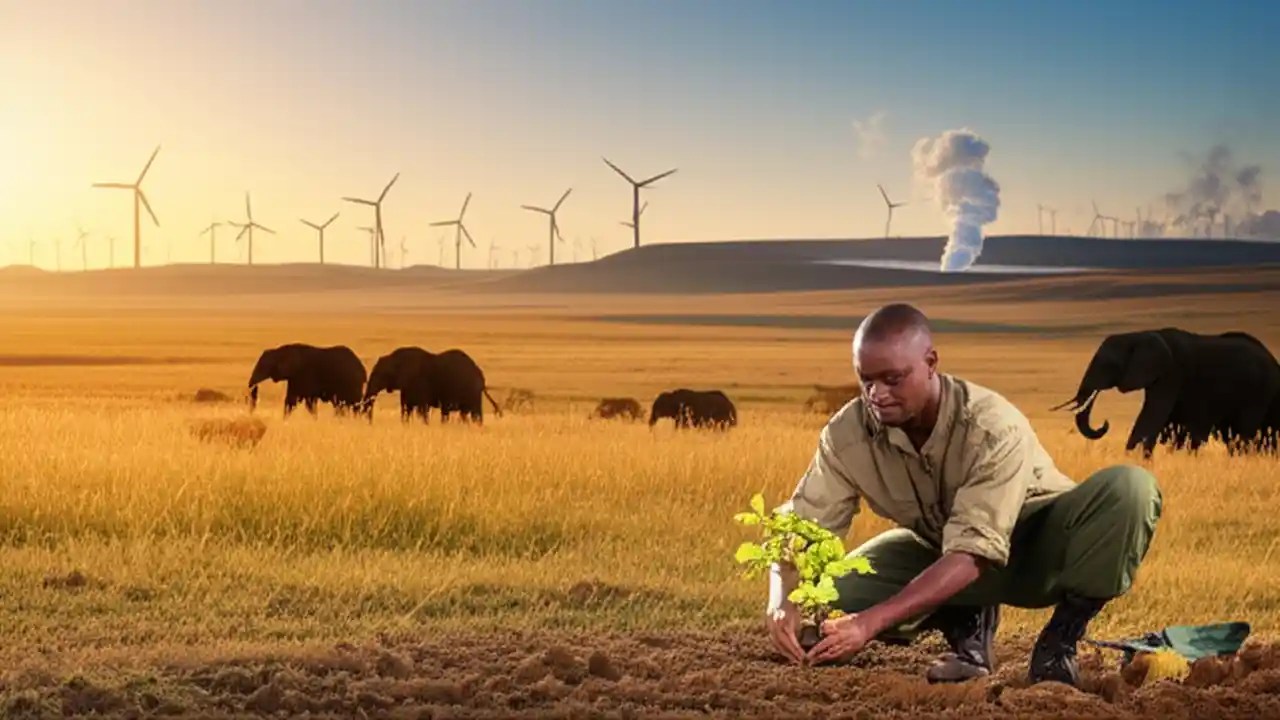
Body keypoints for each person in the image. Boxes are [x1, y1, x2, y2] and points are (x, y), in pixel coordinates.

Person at [765, 303, 1162, 686]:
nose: (876, 394)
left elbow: (975, 552)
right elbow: (801, 527)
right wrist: (782, 600)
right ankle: (967, 627)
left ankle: (1060, 640)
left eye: (893, 379)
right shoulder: (847, 433)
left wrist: (870, 623)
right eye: (866, 380)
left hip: (1039, 551)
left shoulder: (992, 425)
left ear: (931, 363)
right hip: (941, 552)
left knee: (1131, 489)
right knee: (828, 605)